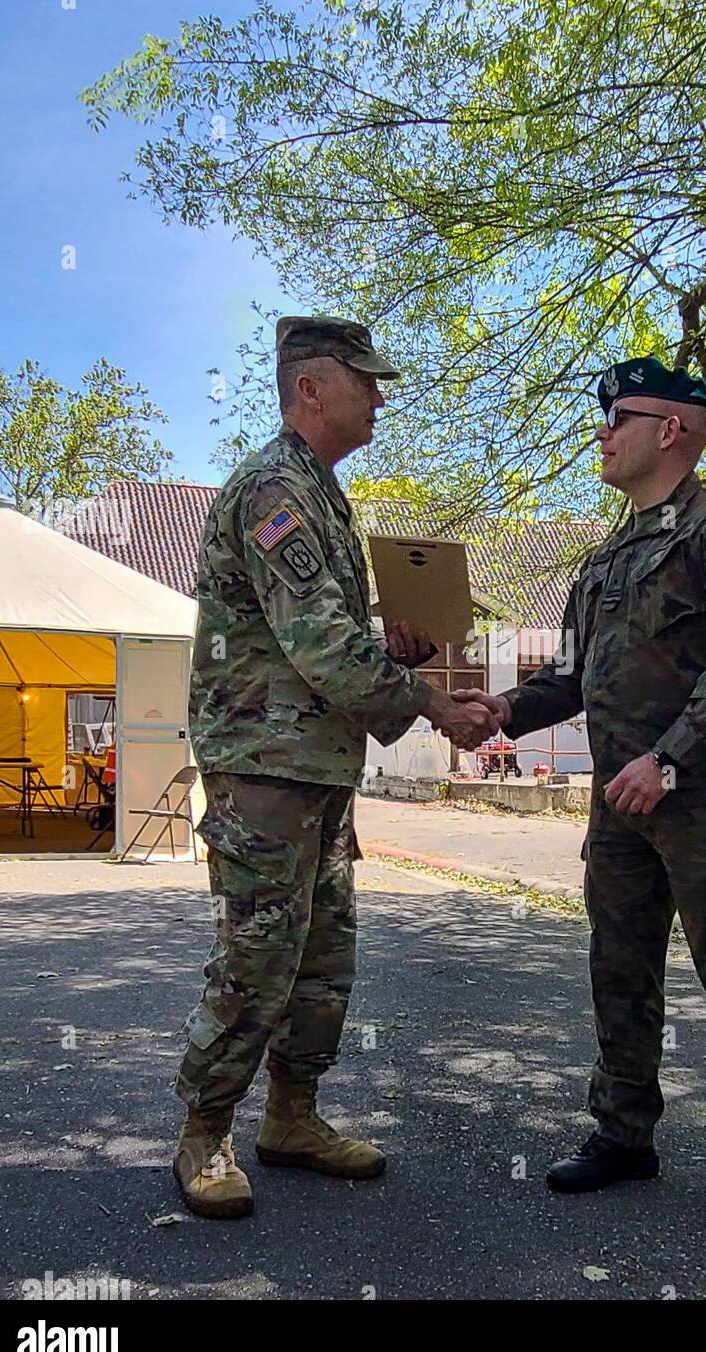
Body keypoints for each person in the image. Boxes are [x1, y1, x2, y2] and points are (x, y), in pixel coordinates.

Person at [454, 356, 706, 1241]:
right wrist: (503, 711)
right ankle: (623, 1136)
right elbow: (572, 676)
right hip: (619, 811)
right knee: (619, 975)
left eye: (619, 418)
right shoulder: (605, 557)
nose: (602, 433)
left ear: (672, 429)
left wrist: (669, 757)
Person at [174, 315, 498, 1218]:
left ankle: (293, 1117)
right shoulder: (276, 489)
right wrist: (432, 702)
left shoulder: (320, 494)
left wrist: (393, 644)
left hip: (313, 767)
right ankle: (204, 1131)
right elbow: (318, 644)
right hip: (264, 767)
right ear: (311, 387)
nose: (381, 397)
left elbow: (332, 638)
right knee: (258, 958)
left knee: (323, 959)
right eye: (366, 380)